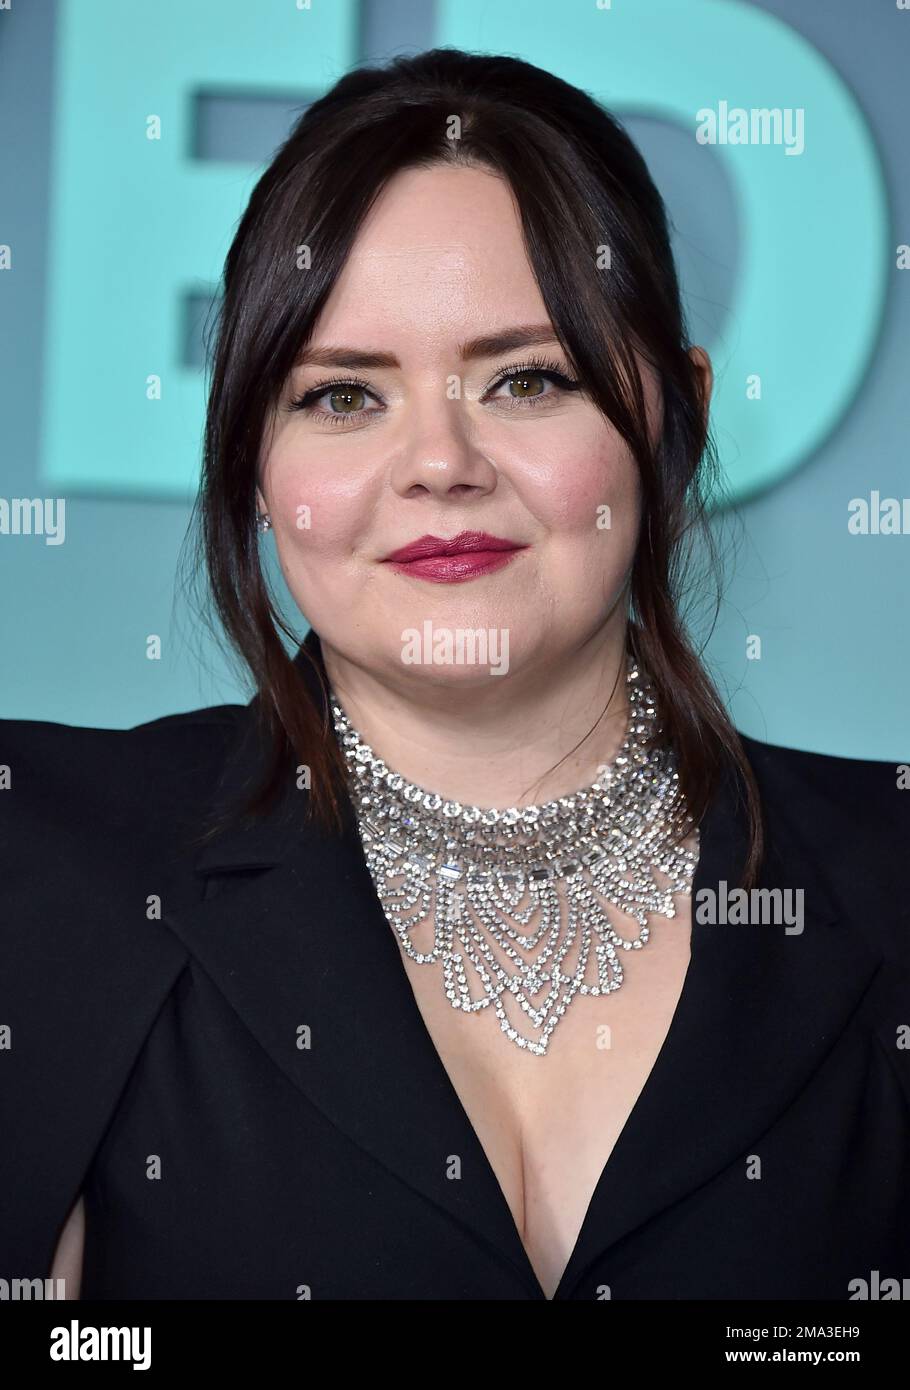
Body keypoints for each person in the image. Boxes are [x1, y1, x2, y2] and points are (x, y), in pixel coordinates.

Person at [2, 49, 906, 1302]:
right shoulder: (37, 862)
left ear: (674, 419)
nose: (439, 462)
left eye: (524, 378)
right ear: (255, 457)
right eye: (341, 396)